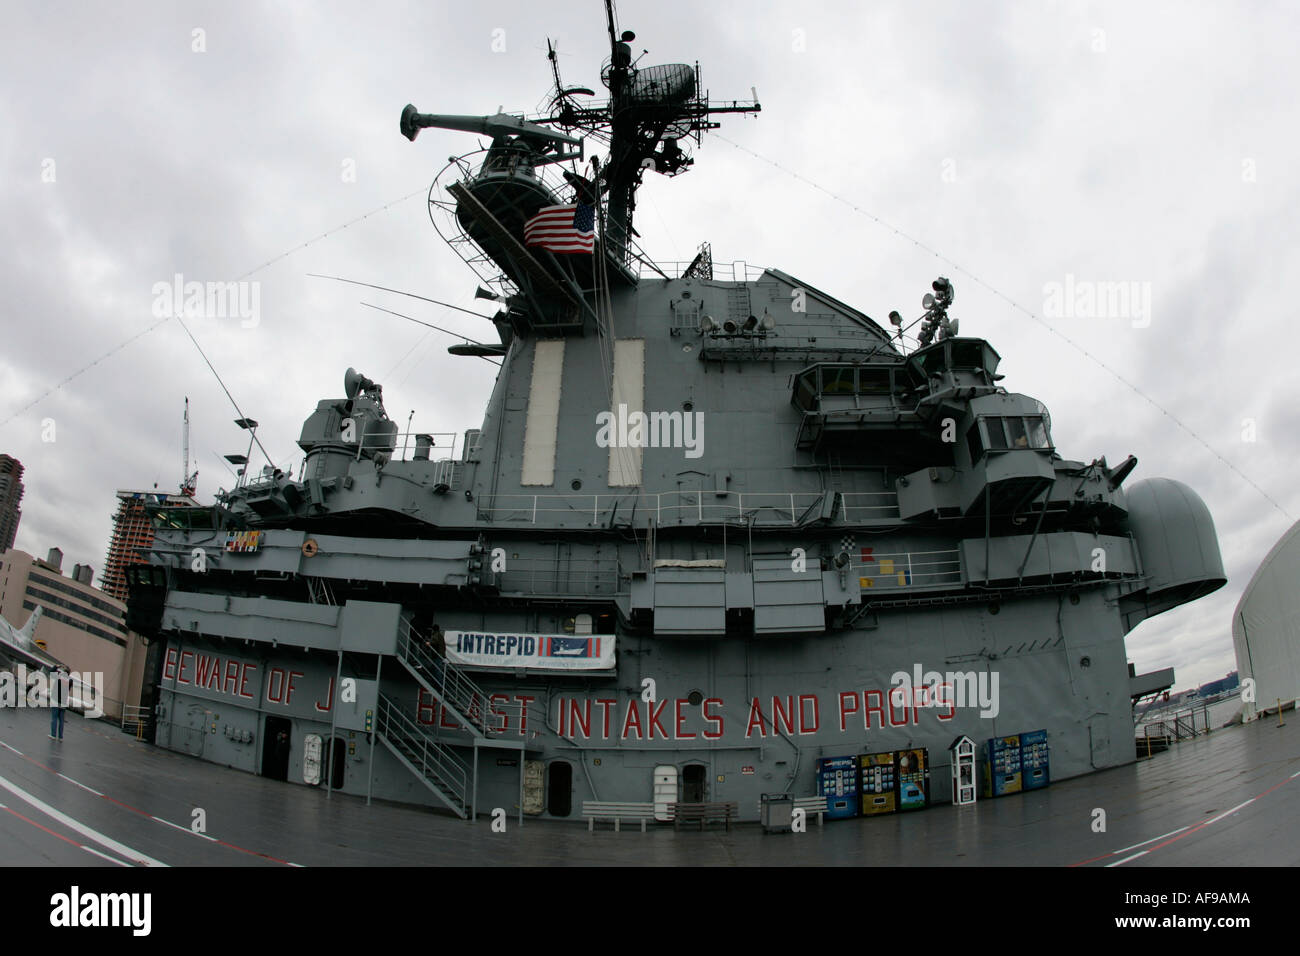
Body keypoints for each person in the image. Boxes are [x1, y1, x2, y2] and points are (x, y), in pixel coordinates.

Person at [49, 666, 70, 740]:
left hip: (55, 701)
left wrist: (56, 666)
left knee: (54, 718)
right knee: (61, 721)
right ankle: (60, 737)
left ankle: (53, 735)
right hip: (63, 703)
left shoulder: (58, 677)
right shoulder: (70, 681)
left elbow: (51, 672)